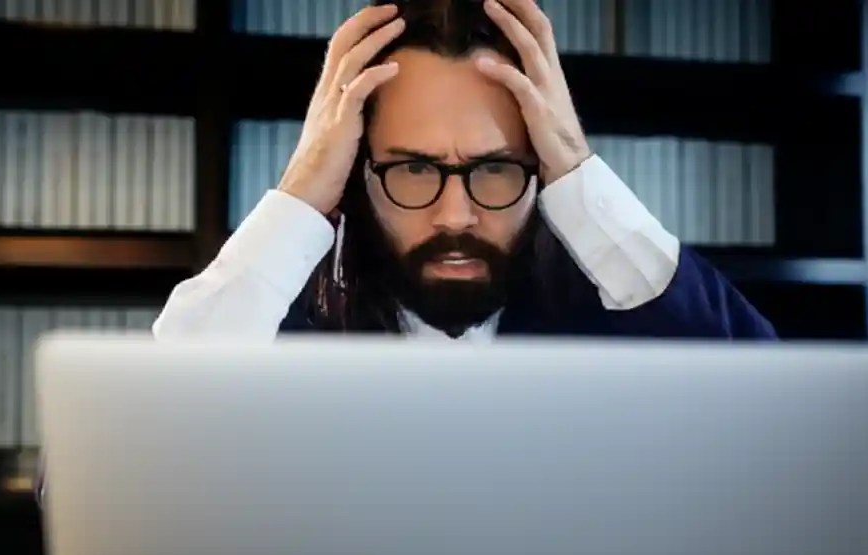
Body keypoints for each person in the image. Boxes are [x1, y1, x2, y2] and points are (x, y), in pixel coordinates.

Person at [151, 0, 777, 341]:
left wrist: (582, 175)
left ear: (543, 166)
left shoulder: (616, 323)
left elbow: (783, 433)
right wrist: (300, 196)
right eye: (414, 170)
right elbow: (97, 482)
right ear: (355, 174)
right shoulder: (273, 330)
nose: (456, 215)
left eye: (496, 169)